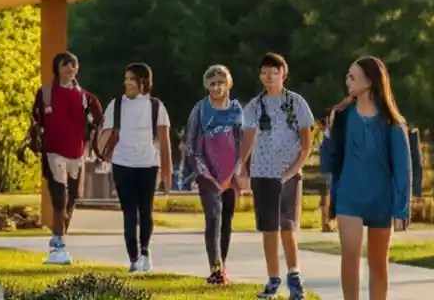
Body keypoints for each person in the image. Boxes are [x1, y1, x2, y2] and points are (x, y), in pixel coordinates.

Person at [320, 56, 412, 300]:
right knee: (350, 257)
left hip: (381, 201)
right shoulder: (341, 118)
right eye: (347, 75)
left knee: (378, 263)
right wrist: (328, 133)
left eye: (352, 76)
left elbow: (403, 169)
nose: (347, 80)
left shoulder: (392, 123)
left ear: (370, 81)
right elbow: (327, 164)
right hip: (349, 198)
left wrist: (401, 209)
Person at [236, 53, 315, 300]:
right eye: (264, 72)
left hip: (289, 174)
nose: (268, 76)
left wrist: (293, 170)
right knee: (268, 229)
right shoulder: (254, 106)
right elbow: (247, 139)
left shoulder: (297, 103)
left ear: (283, 73)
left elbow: (306, 144)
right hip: (262, 174)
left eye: (273, 71)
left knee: (287, 228)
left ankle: (295, 277)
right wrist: (240, 168)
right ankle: (273, 279)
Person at [27, 51, 104, 265]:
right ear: (57, 68)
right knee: (59, 198)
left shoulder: (87, 98)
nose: (70, 69)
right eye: (66, 65)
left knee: (72, 200)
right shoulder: (45, 94)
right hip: (53, 153)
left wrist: (98, 144)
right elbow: (35, 121)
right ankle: (58, 245)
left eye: (74, 65)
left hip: (77, 155)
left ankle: (59, 237)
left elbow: (100, 124)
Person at [99, 62, 172, 273]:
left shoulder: (156, 106)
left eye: (132, 79)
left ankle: (145, 252)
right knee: (129, 212)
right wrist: (102, 151)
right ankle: (133, 257)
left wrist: (166, 172)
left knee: (145, 210)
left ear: (143, 82)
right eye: (126, 79)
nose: (127, 83)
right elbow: (104, 133)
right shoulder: (116, 105)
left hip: (148, 165)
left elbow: (164, 142)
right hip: (122, 164)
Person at [181, 64, 244, 286]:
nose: (216, 88)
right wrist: (195, 171)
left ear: (229, 84)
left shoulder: (237, 110)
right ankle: (215, 267)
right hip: (206, 171)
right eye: (212, 84)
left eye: (220, 83)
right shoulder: (200, 109)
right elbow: (190, 141)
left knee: (226, 219)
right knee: (213, 217)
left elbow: (246, 143)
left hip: (232, 173)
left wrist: (241, 170)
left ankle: (222, 266)